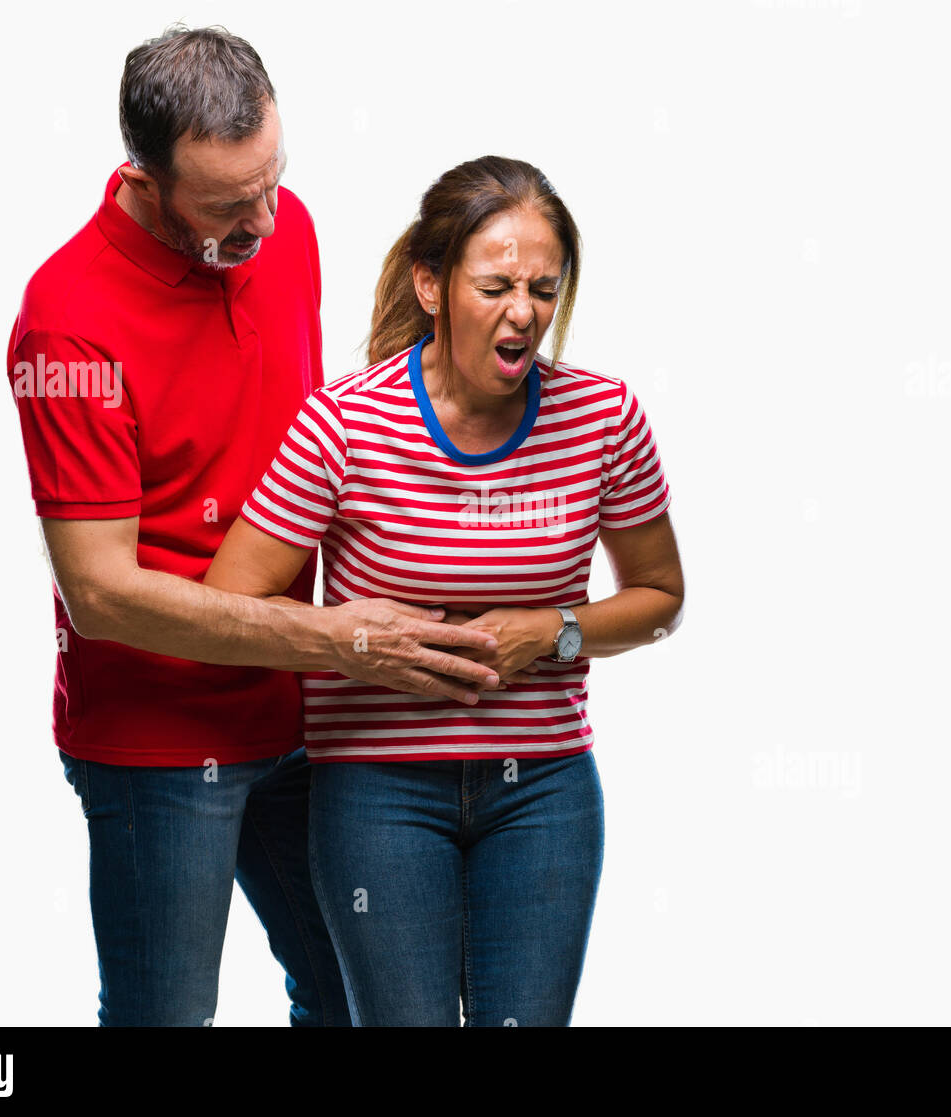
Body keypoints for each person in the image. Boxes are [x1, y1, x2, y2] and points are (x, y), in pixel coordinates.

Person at [5, 25, 498, 1027]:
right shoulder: (68, 321)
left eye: (274, 180)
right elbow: (99, 596)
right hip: (155, 742)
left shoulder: (290, 229)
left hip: (300, 715)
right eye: (231, 207)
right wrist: (336, 637)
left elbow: (308, 447)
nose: (268, 219)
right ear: (144, 179)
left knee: (376, 995)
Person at [205, 155, 686, 1026]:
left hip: (543, 792)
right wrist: (356, 639)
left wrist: (556, 630)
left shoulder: (605, 418)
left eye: (544, 288)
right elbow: (229, 608)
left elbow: (659, 596)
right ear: (432, 284)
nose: (525, 312)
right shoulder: (343, 423)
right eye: (497, 284)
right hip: (375, 790)